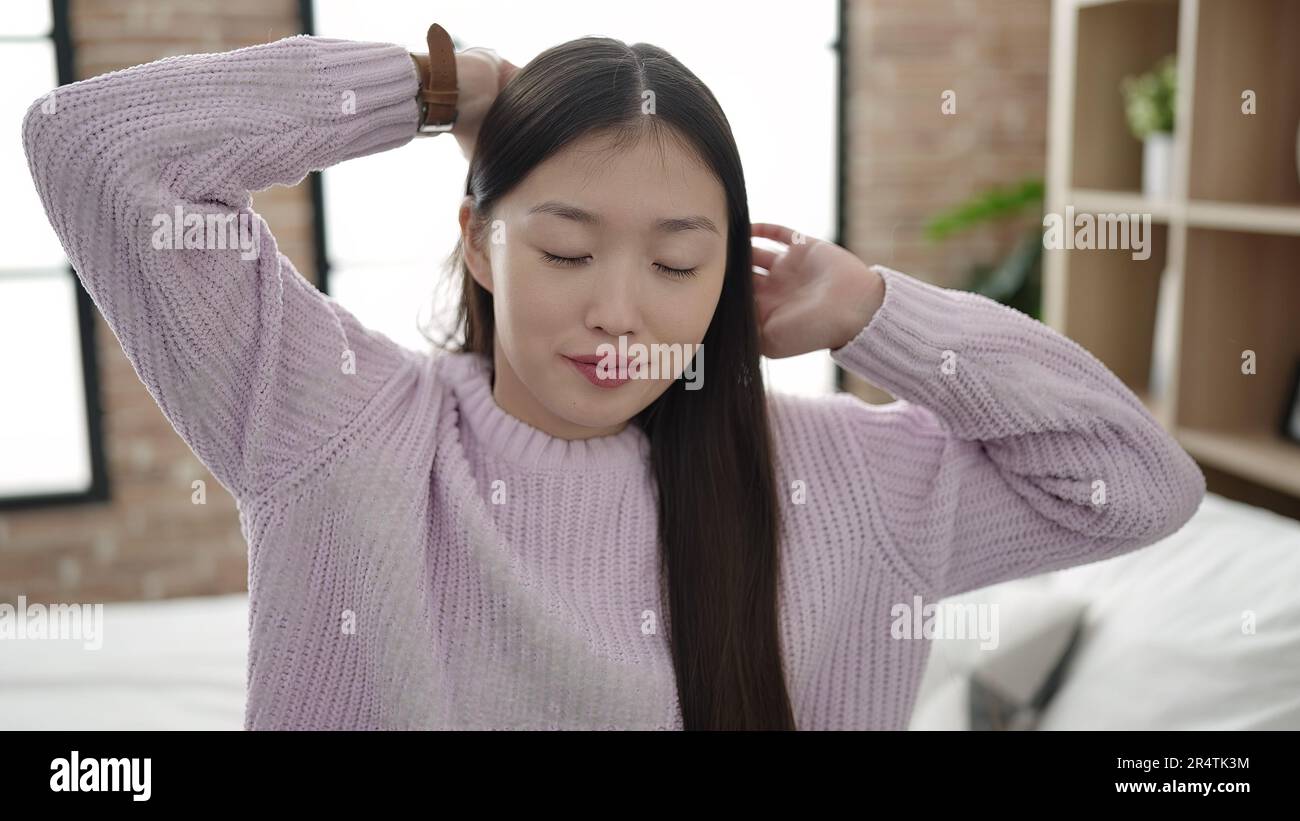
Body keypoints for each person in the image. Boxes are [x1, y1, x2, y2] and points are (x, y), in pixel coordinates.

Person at [21, 27, 1205, 730]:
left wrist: (875, 314)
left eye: (678, 260)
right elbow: (96, 147)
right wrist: (439, 89)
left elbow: (1136, 483)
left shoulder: (836, 480)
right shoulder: (332, 420)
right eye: (569, 249)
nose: (619, 311)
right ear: (481, 242)